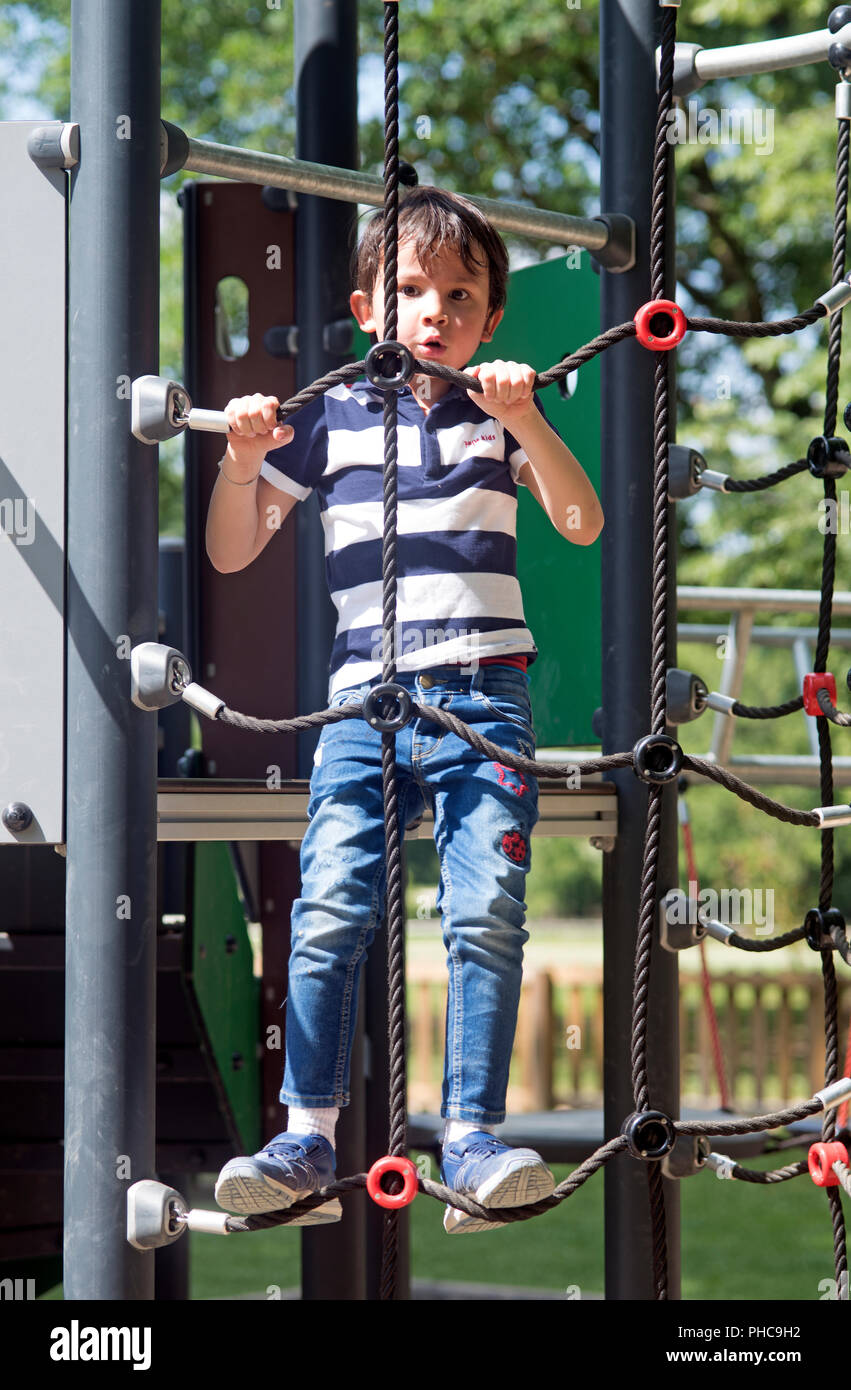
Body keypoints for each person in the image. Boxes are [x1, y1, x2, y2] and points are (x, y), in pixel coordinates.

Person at [206, 186, 604, 1233]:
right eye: (412, 290)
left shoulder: (495, 410)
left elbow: (580, 521)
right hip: (361, 706)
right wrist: (241, 462)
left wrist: (525, 417)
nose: (436, 310)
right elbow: (231, 548)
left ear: (490, 320)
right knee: (330, 905)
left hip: (485, 699)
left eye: (460, 295)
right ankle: (306, 1139)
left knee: (483, 915)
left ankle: (469, 1139)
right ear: (365, 309)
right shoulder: (329, 412)